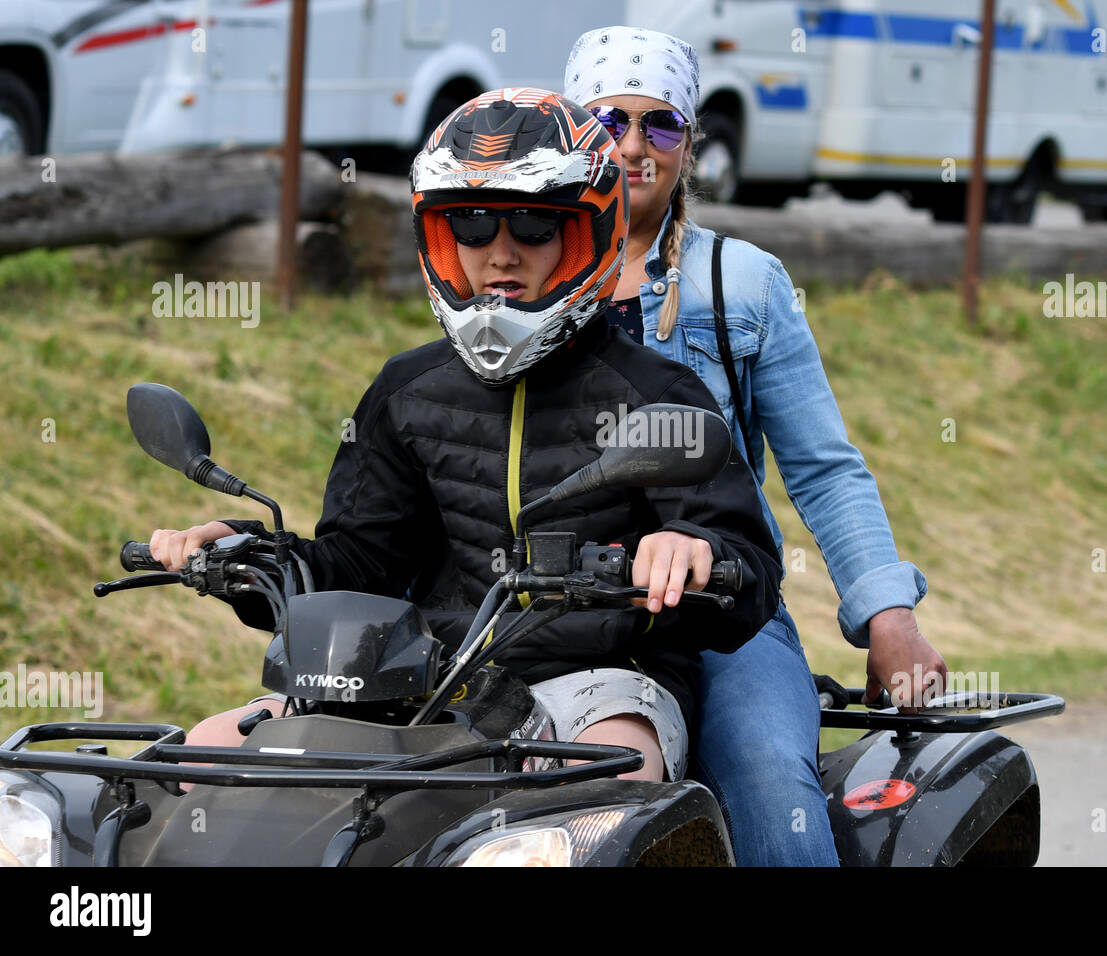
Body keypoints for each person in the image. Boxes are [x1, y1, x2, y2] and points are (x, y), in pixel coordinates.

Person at [148, 88, 782, 784]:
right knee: (198, 756)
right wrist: (248, 555)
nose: (500, 254)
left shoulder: (658, 395)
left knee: (611, 772)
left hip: (602, 679)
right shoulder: (407, 389)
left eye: (535, 227)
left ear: (587, 233)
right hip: (419, 680)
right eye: (473, 227)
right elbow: (362, 564)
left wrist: (696, 551)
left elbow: (748, 571)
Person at [563, 26, 947, 863]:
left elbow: (824, 467)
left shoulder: (745, 281)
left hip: (726, 617)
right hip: (556, 616)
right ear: (571, 133)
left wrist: (888, 615)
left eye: (660, 125)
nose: (633, 146)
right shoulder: (522, 277)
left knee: (771, 781)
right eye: (607, 121)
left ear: (688, 145)